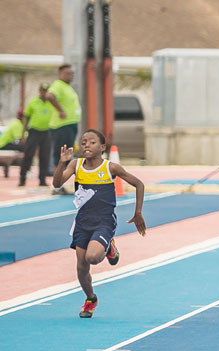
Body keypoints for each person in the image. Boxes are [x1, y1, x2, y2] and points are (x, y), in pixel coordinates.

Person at [51, 129, 146, 318]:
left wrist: (137, 212)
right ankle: (91, 299)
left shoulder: (110, 168)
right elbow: (57, 184)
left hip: (104, 221)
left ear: (102, 147)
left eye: (92, 142)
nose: (86, 145)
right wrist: (62, 163)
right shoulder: (76, 165)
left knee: (93, 257)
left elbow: (139, 184)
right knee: (81, 266)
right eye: (83, 142)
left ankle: (108, 247)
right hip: (83, 222)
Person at [46, 64, 81, 195]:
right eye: (68, 73)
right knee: (61, 156)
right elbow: (50, 96)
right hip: (62, 126)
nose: (71, 75)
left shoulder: (68, 87)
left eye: (72, 73)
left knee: (67, 156)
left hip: (70, 125)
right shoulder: (58, 85)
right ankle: (57, 187)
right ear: (60, 74)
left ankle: (60, 185)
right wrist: (61, 111)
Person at [20, 88, 56, 187]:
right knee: (28, 154)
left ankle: (42, 180)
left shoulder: (52, 103)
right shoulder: (33, 102)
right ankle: (22, 179)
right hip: (34, 131)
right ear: (40, 91)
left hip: (47, 132)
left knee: (45, 156)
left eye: (46, 91)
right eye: (42, 91)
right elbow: (26, 117)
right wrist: (23, 133)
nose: (44, 93)